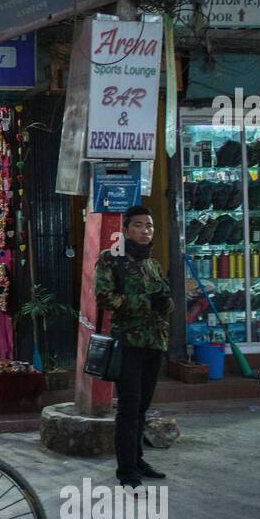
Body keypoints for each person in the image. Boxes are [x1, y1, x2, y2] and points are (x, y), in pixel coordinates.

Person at [95, 205, 173, 489]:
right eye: (139, 225)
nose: (145, 231)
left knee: (142, 408)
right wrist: (145, 303)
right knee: (129, 408)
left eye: (149, 226)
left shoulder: (152, 262)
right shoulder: (111, 259)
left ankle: (139, 460)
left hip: (154, 343)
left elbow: (165, 299)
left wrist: (166, 304)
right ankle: (126, 471)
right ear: (126, 230)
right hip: (128, 343)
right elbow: (105, 298)